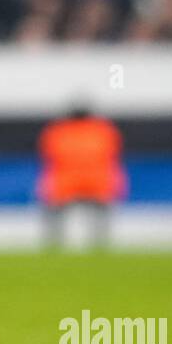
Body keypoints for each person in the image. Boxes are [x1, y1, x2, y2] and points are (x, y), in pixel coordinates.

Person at [37, 104, 126, 248]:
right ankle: (101, 247)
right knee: (101, 219)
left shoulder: (58, 131)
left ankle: (53, 246)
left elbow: (48, 156)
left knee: (54, 216)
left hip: (66, 183)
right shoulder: (103, 131)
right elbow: (114, 156)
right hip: (97, 182)